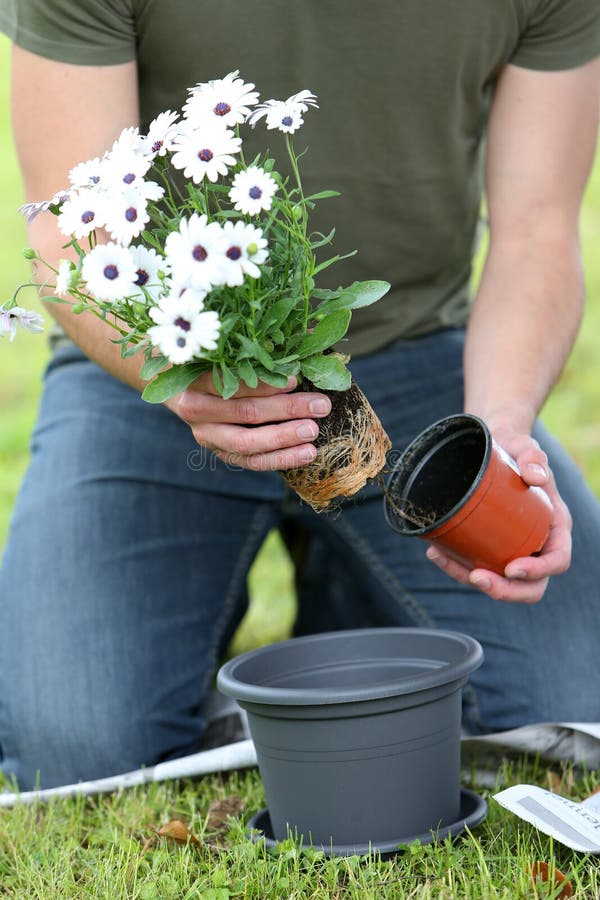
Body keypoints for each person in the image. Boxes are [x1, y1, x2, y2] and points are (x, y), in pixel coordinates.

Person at [0, 0, 599, 792]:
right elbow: (72, 234)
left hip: (414, 361)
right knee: (76, 745)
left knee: (574, 704)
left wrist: (497, 433)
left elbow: (538, 233)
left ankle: (345, 592)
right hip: (160, 367)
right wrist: (181, 378)